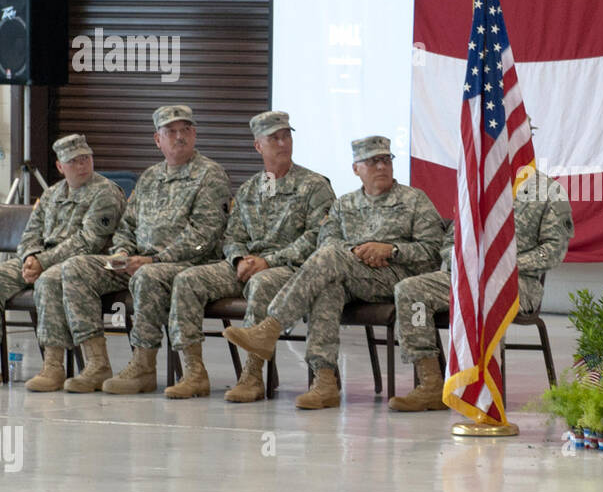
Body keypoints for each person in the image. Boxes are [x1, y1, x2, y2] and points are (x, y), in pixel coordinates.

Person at [224, 135, 444, 409]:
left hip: (398, 276)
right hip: (354, 276)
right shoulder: (344, 205)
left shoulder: (413, 200)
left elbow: (434, 251)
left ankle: (271, 327)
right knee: (327, 289)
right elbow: (326, 242)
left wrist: (391, 250)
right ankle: (324, 380)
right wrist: (357, 252)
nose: (381, 166)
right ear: (356, 169)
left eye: (386, 159)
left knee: (329, 260)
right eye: (373, 161)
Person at [55, 105, 231, 394]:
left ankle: (143, 366)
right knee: (75, 268)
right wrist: (122, 253)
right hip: (139, 262)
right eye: (171, 131)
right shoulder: (149, 177)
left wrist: (154, 259)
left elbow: (204, 234)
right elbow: (127, 224)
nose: (179, 137)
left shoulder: (210, 175)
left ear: (195, 134)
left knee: (147, 275)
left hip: (191, 264)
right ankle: (96, 364)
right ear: (157, 140)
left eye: (185, 130)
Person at [164, 111, 334, 401]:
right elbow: (232, 236)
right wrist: (239, 259)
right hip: (245, 266)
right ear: (258, 146)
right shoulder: (249, 189)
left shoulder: (314, 186)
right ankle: (194, 373)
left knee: (261, 282)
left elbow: (317, 239)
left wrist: (270, 260)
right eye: (274, 138)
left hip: (290, 269)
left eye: (286, 136)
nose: (282, 143)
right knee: (188, 279)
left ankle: (252, 376)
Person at [388, 168, 575, 412]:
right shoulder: (475, 188)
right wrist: (466, 264)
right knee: (411, 292)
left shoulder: (548, 190)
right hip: (466, 277)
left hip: (518, 281)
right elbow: (449, 243)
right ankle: (430, 382)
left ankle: (486, 385)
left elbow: (553, 251)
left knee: (488, 292)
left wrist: (504, 266)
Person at [0, 134, 126, 389]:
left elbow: (90, 241)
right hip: (43, 260)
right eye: (74, 161)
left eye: (86, 158)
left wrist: (43, 262)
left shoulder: (106, 192)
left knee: (48, 280)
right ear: (60, 166)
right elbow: (30, 233)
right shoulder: (52, 194)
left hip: (83, 264)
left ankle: (53, 367)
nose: (82, 165)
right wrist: (30, 257)